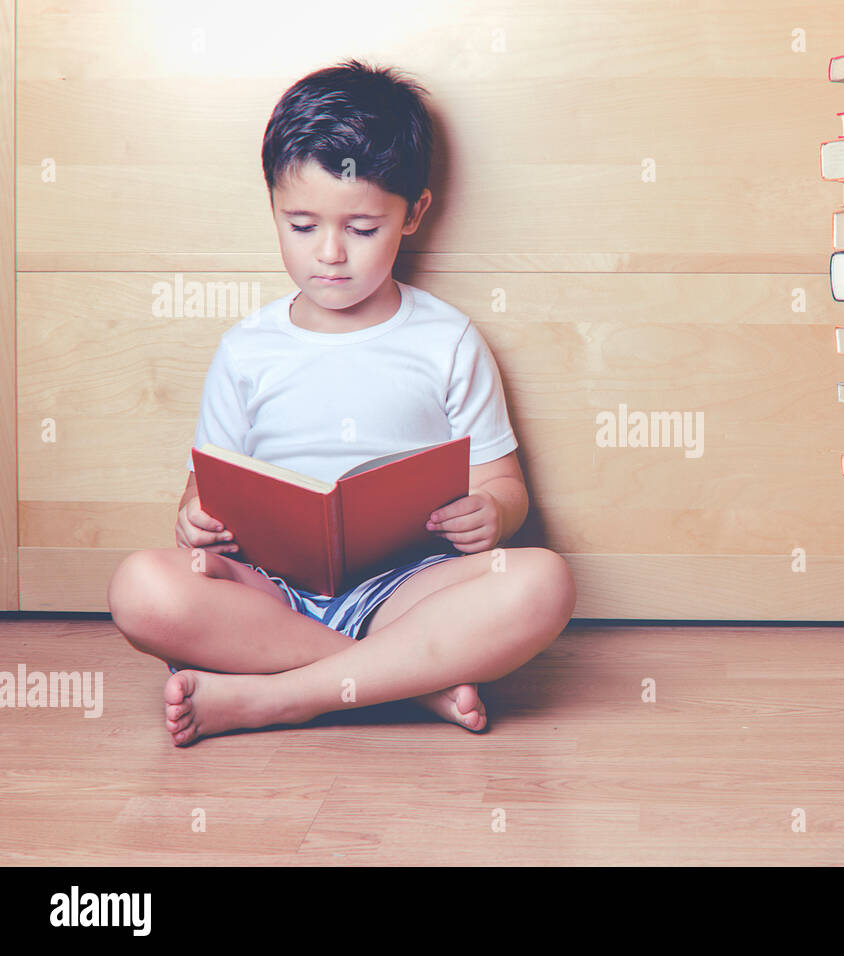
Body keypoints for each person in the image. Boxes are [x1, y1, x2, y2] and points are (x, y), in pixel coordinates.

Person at [106, 60, 576, 747]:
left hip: (406, 591)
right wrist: (196, 521)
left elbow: (503, 485)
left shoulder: (447, 339)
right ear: (271, 205)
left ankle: (281, 698)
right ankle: (411, 685)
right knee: (141, 587)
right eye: (300, 224)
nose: (329, 254)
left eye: (361, 228)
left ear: (414, 213)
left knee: (542, 582)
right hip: (271, 593)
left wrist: (492, 513)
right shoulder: (248, 348)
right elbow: (199, 495)